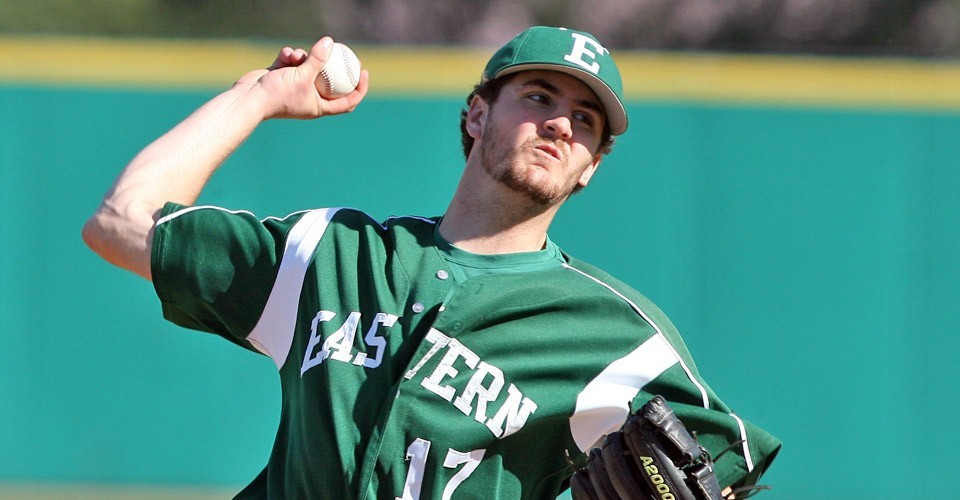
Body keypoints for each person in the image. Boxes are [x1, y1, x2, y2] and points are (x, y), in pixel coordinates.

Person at [83, 26, 779, 499]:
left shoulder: (615, 337)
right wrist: (259, 96)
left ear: (590, 167)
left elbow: (722, 474)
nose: (561, 124)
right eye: (538, 97)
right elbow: (120, 224)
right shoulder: (333, 257)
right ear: (477, 114)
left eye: (585, 121)